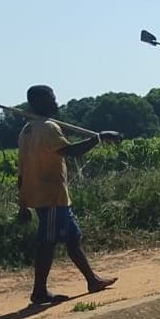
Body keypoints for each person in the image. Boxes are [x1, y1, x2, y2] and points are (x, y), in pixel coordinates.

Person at [16, 85, 122, 301]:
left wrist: (23, 203)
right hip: (51, 196)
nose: (56, 102)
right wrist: (99, 137)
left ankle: (92, 280)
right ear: (39, 102)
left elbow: (21, 171)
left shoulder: (26, 130)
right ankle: (39, 291)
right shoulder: (48, 128)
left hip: (42, 195)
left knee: (73, 238)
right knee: (48, 242)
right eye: (51, 99)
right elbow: (71, 152)